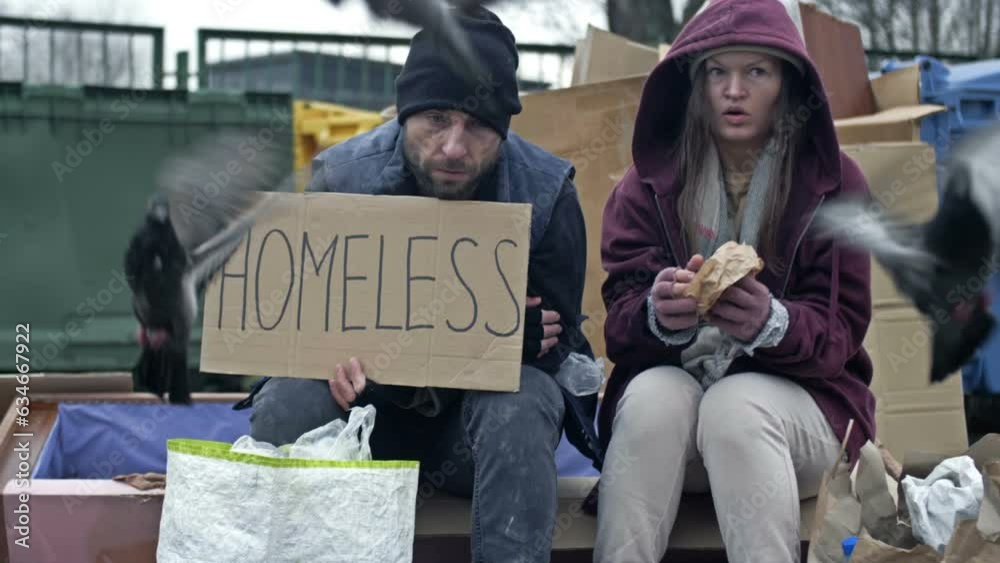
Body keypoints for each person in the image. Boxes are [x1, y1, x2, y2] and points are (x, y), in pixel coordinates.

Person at [232, 7, 604, 563]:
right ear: (405, 114)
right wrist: (329, 359)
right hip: (364, 420)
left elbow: (570, 358)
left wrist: (526, 350)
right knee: (286, 401)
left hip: (474, 440)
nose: (454, 147)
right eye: (435, 119)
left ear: (503, 129)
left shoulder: (547, 197)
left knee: (523, 398)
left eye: (478, 126)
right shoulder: (342, 179)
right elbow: (295, 327)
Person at [592, 1, 877, 561]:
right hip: (677, 434)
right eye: (717, 72)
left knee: (736, 403)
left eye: (756, 72)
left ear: (788, 85)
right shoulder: (648, 183)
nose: (734, 90)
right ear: (696, 85)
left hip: (799, 421)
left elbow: (842, 330)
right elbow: (618, 320)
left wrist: (776, 325)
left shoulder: (836, 184)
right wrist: (655, 314)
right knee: (651, 396)